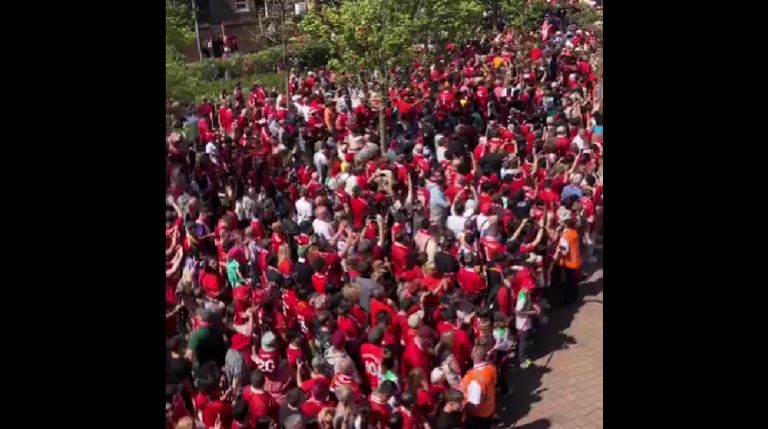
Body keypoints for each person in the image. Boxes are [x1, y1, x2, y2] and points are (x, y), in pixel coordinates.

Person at [460, 345, 497, 429]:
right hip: (490, 407)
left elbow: (475, 403)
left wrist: (464, 406)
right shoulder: (491, 368)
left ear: (472, 356)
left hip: (479, 414)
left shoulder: (473, 379)